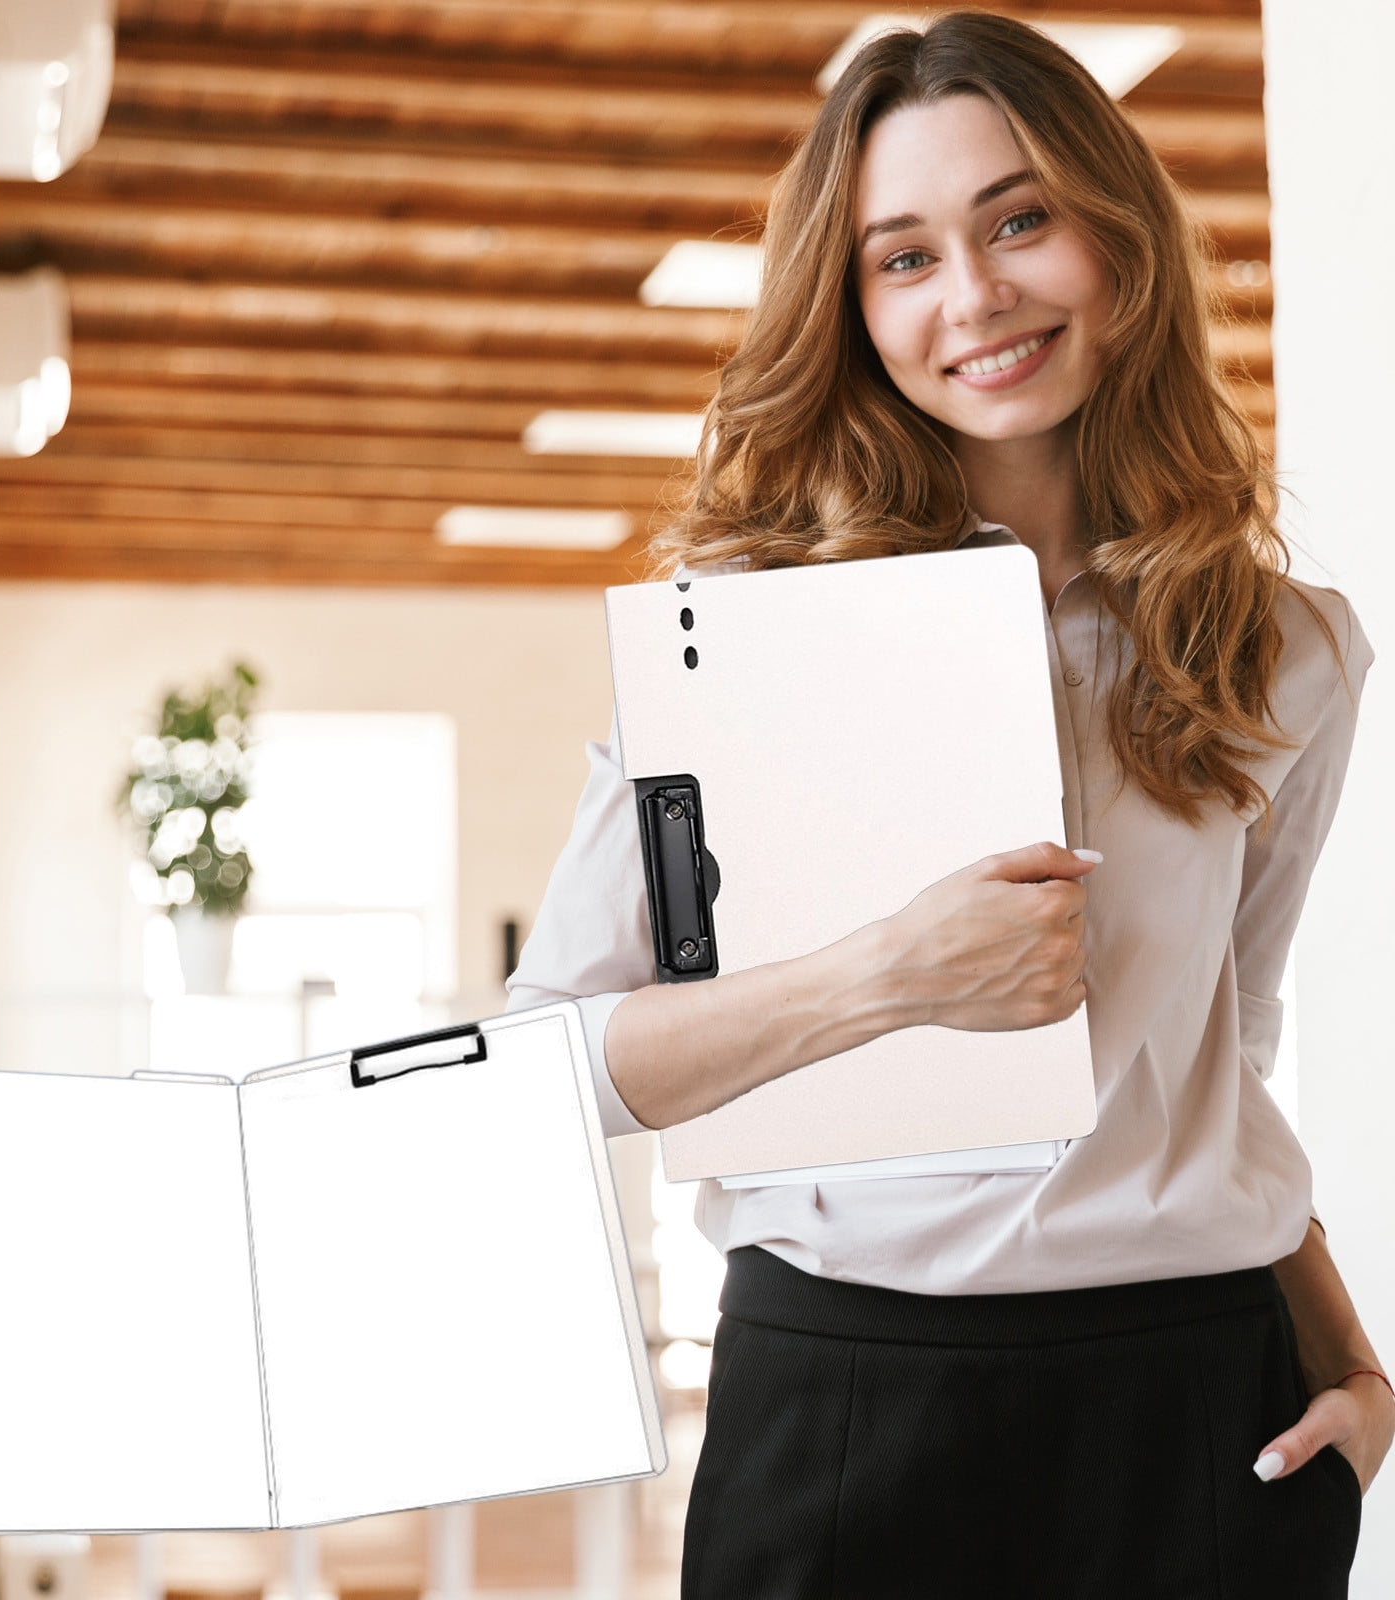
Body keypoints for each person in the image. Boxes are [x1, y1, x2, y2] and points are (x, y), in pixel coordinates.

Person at [505, 12, 1391, 1597]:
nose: (975, 297)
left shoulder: (1290, 648)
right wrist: (886, 979)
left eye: (1019, 220)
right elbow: (547, 1066)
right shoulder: (741, 632)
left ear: (1114, 239)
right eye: (901, 259)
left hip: (1202, 1410)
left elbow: (1222, 1045)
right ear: (848, 311)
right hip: (849, 1401)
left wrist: (1355, 1365)